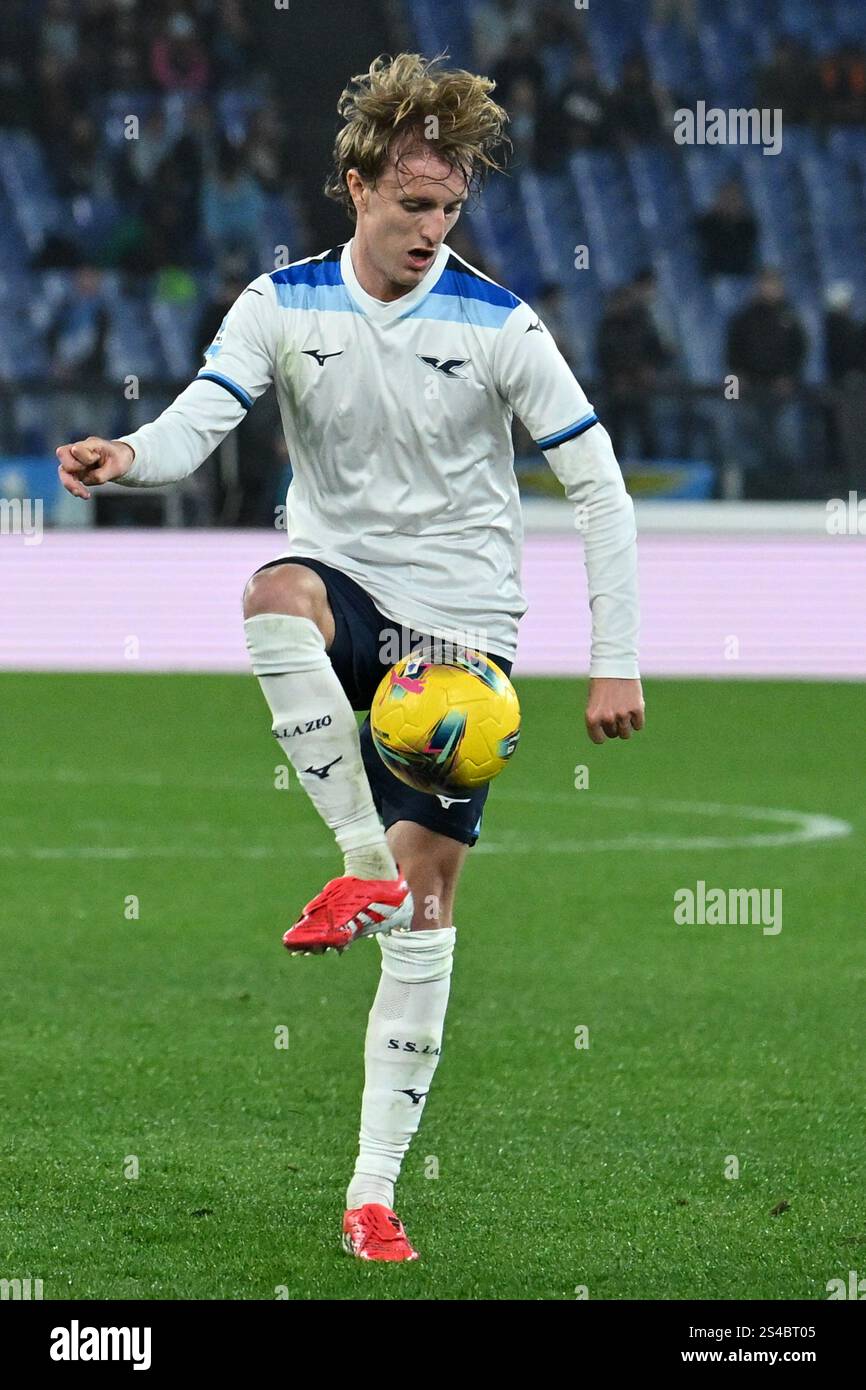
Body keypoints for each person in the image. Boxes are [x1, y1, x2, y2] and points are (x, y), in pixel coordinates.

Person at [56, 52, 643, 1263]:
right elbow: (198, 419)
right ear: (356, 185)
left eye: (449, 208)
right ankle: (355, 858)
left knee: (429, 919)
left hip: (460, 635)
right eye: (412, 203)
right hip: (344, 581)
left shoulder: (500, 323)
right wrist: (128, 453)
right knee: (273, 591)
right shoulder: (282, 305)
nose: (432, 228)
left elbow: (599, 489)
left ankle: (370, 1195)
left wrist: (614, 659)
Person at [726, 268, 808, 496]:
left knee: (784, 439)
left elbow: (800, 352)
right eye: (766, 283)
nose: (770, 289)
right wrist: (733, 391)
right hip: (751, 391)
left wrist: (790, 378)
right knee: (749, 438)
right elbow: (732, 358)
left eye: (774, 284)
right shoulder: (744, 318)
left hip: (782, 392)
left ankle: (789, 490)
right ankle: (751, 490)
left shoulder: (789, 318)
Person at [694, 179, 758, 279]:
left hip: (741, 275)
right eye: (727, 198)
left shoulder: (748, 227)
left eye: (734, 199)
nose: (730, 203)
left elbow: (746, 256)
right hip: (713, 277)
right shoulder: (706, 224)